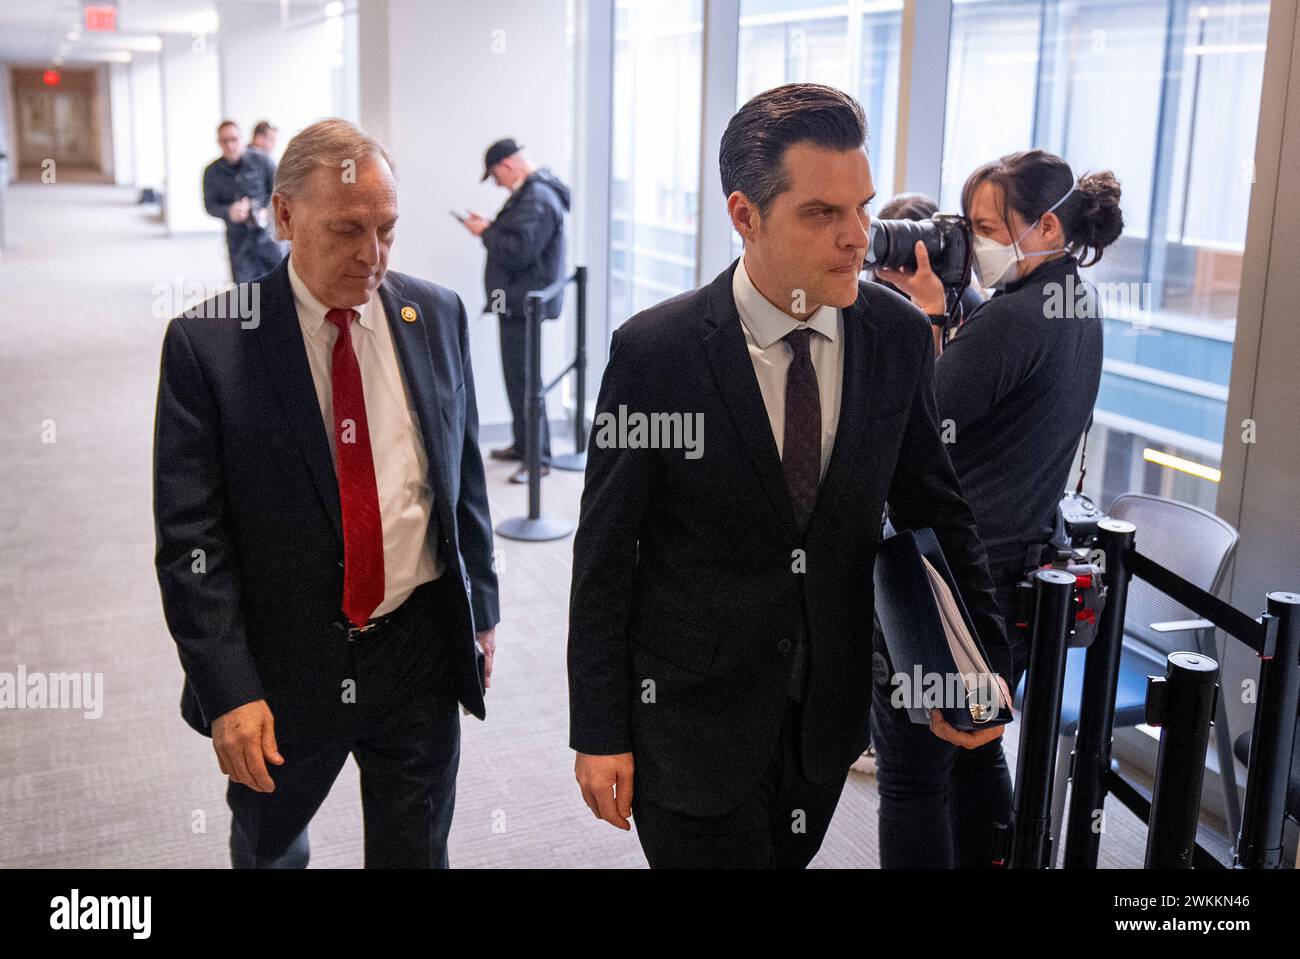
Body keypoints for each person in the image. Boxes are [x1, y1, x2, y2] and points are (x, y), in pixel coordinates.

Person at [566, 83, 1011, 869]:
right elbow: (604, 556)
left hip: (824, 721)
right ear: (745, 215)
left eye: (862, 208)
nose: (858, 238)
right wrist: (599, 729)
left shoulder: (898, 337)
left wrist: (979, 667)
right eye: (821, 214)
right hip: (688, 726)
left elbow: (936, 509)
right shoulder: (656, 353)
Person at [155, 118, 500, 869]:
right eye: (347, 229)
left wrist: (484, 613)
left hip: (415, 649)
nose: (371, 255)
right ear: (283, 215)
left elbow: (461, 473)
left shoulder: (434, 313)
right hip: (281, 669)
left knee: (416, 852)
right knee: (271, 849)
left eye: (387, 230)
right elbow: (191, 543)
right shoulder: (209, 344)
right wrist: (228, 689)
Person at [873, 148, 1123, 867]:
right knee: (976, 749)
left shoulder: (1012, 320)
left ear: (1044, 225)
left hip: (945, 579)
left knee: (914, 775)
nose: (971, 240)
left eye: (985, 225)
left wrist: (923, 318)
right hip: (1005, 571)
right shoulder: (1074, 301)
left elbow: (918, 423)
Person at [458, 138, 570, 484]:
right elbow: (519, 240)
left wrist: (485, 231)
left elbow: (518, 252)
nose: (496, 183)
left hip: (525, 306)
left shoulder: (536, 197)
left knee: (526, 382)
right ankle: (524, 447)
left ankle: (539, 459)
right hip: (517, 305)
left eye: (495, 175)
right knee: (518, 379)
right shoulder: (533, 194)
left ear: (508, 166)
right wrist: (492, 228)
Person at [202, 120, 283, 284]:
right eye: (225, 141)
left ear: (241, 138)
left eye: (234, 139)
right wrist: (229, 211)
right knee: (245, 296)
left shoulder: (263, 161)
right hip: (238, 241)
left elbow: (280, 191)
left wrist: (265, 210)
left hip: (268, 236)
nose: (230, 145)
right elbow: (210, 206)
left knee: (280, 285)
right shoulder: (212, 172)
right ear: (219, 143)